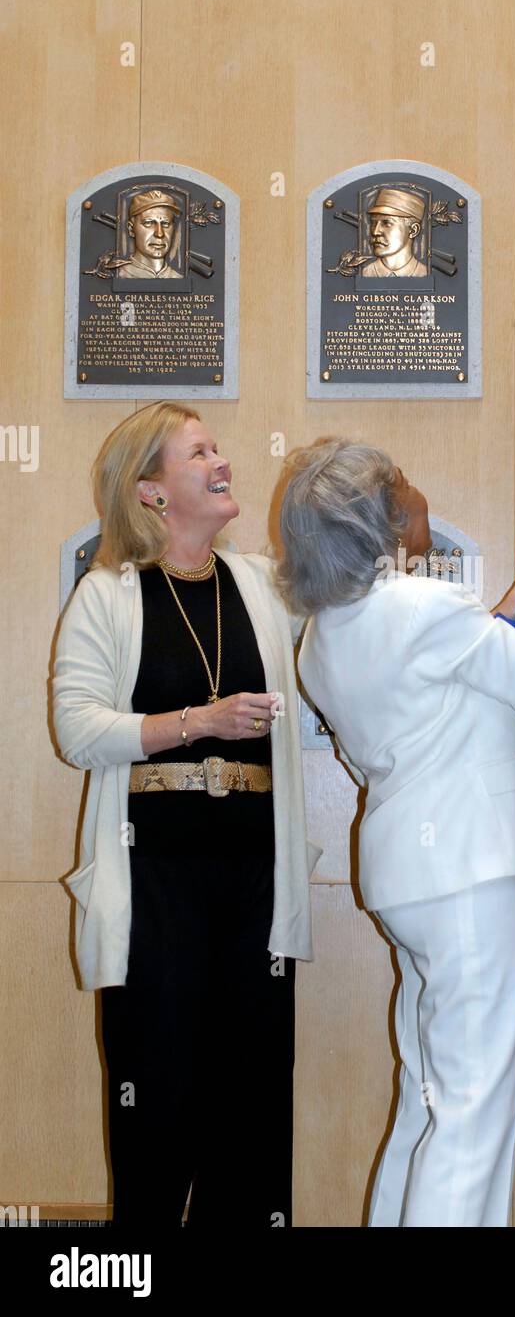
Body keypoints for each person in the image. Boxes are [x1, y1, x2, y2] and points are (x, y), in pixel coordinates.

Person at [274, 436, 515, 1227]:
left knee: (428, 1100)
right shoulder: (424, 609)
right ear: (379, 517)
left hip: (409, 883)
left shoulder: (322, 639)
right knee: (471, 1110)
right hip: (464, 876)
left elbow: (441, 695)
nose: (417, 492)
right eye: (402, 482)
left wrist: (500, 618)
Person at [51, 401, 320, 1228]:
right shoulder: (106, 595)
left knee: (252, 1112)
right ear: (151, 490)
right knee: (156, 1109)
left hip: (254, 882)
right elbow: (76, 731)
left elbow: (354, 629)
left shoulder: (263, 586)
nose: (221, 461)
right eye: (199, 452)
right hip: (154, 883)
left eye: (217, 448)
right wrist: (197, 723)